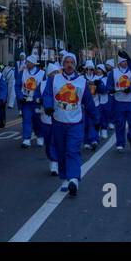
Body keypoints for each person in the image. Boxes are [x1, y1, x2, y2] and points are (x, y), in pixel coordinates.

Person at [44, 51, 96, 196]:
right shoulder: (54, 80)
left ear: (75, 65)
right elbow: (48, 94)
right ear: (63, 64)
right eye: (66, 62)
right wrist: (48, 106)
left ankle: (73, 178)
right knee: (61, 151)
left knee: (72, 150)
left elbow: (88, 102)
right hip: (58, 121)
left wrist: (95, 119)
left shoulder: (82, 81)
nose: (69, 65)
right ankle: (65, 178)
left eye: (71, 62)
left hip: (75, 122)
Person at [108, 54, 131, 152]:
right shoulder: (113, 72)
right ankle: (120, 143)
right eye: (123, 61)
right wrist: (112, 90)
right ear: (119, 62)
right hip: (118, 101)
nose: (125, 63)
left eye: (126, 61)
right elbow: (109, 86)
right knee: (120, 124)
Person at [16, 54, 45, 148]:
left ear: (33, 63)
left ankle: (40, 135)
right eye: (26, 62)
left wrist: (41, 98)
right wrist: (20, 96)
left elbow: (44, 88)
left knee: (37, 121)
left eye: (28, 62)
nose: (26, 63)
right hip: (26, 101)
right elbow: (17, 85)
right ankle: (26, 139)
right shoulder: (23, 72)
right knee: (26, 119)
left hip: (36, 102)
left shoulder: (42, 73)